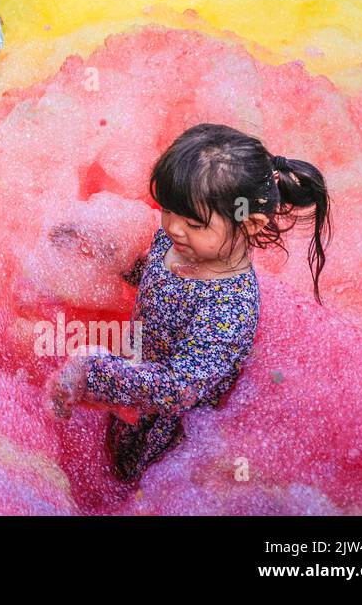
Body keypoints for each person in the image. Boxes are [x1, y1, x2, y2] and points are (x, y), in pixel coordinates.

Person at [50, 123, 330, 483]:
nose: (172, 228)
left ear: (250, 225)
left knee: (131, 484)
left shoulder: (228, 307)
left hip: (170, 442)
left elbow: (179, 388)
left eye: (193, 223)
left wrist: (94, 373)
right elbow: (156, 279)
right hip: (136, 387)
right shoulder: (181, 241)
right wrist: (105, 255)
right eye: (168, 211)